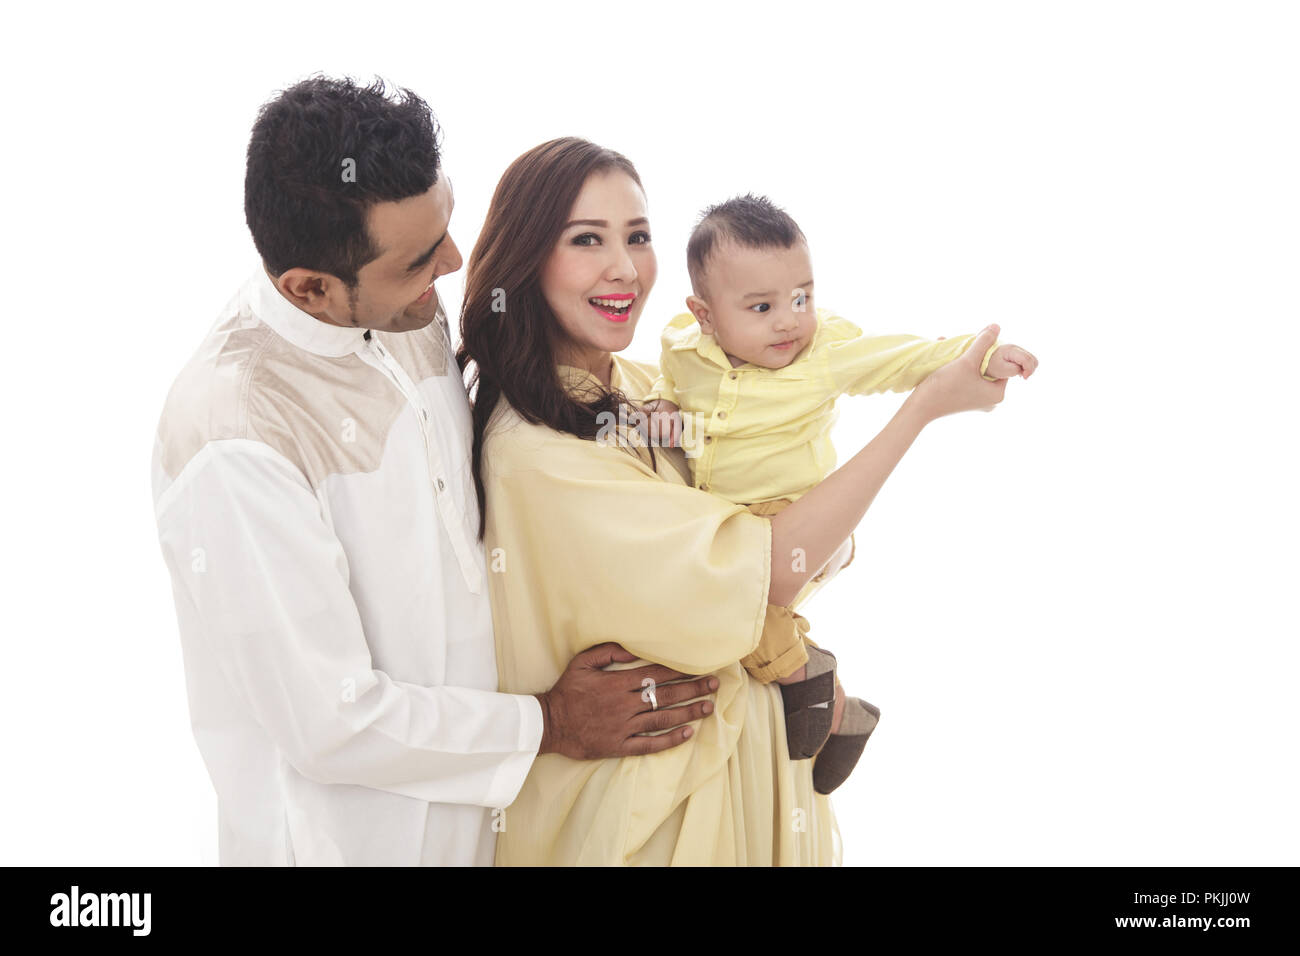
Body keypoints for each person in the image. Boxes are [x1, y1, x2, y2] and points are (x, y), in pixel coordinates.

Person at [150, 77, 714, 867]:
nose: (452, 264)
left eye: (445, 227)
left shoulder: (403, 305)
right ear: (309, 289)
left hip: (500, 830)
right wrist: (548, 722)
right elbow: (330, 721)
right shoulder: (234, 435)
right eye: (420, 259)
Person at [457, 137, 1016, 865]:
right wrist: (920, 411)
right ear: (528, 258)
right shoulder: (538, 453)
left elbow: (795, 540)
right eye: (586, 239)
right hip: (654, 822)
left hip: (745, 789)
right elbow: (775, 569)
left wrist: (818, 536)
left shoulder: (635, 384)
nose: (624, 268)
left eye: (637, 236)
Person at [639, 194, 1039, 793]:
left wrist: (982, 357)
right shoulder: (681, 344)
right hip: (731, 520)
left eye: (802, 297)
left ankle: (807, 680)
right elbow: (672, 378)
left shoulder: (823, 352)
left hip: (798, 515)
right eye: (762, 306)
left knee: (736, 610)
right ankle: (841, 711)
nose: (789, 320)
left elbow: (906, 357)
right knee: (724, 614)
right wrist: (664, 404)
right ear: (705, 315)